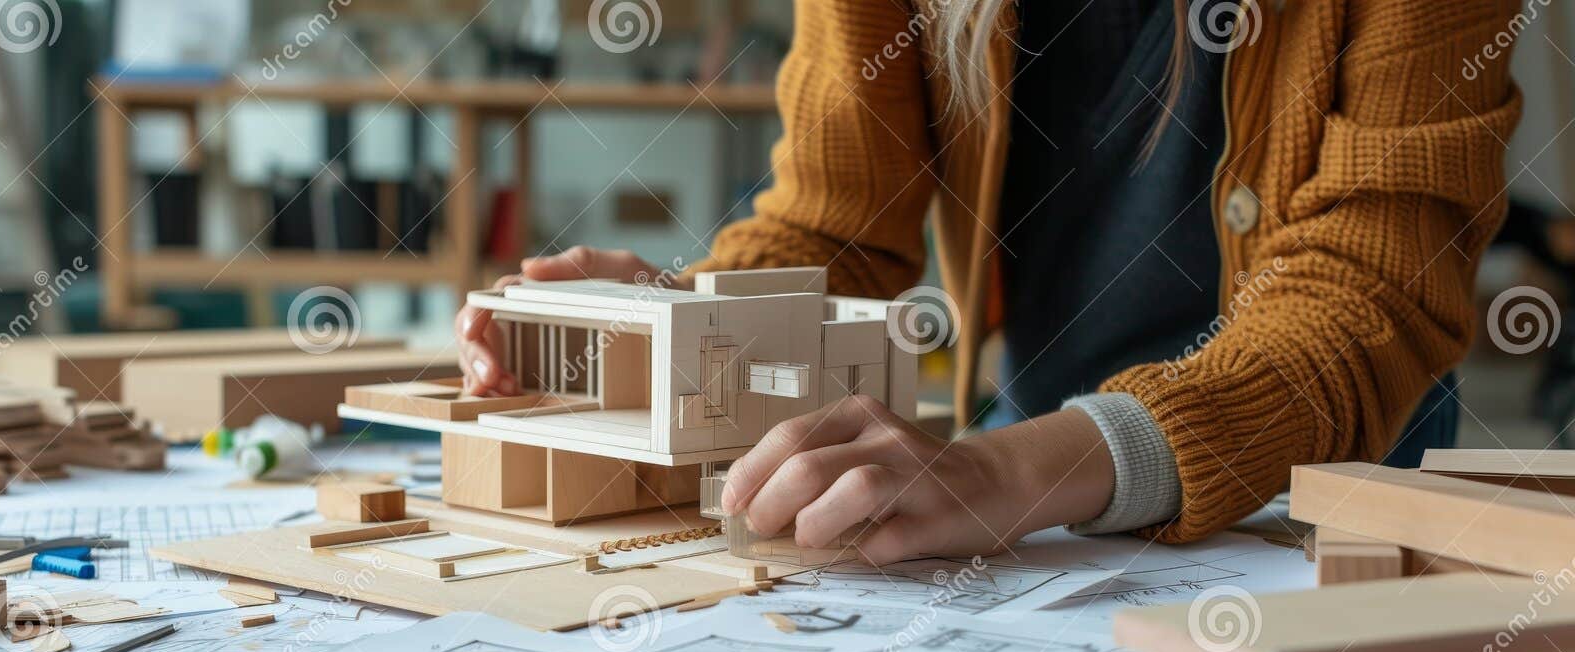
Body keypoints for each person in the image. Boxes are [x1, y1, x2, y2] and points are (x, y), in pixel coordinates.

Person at [457, 0, 1522, 564]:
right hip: (1027, 455)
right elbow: (838, 223)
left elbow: (1368, 293)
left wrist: (1009, 474)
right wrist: (690, 315)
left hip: (1326, 478)